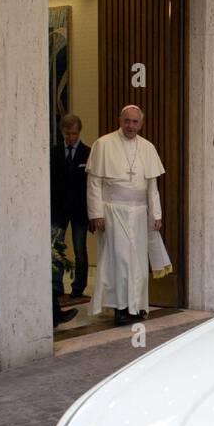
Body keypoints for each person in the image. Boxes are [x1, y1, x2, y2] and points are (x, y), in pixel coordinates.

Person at [86, 105, 165, 326]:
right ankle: (120, 307)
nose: (131, 126)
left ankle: (137, 306)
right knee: (120, 260)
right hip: (113, 210)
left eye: (135, 122)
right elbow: (94, 183)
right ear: (120, 120)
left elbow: (152, 186)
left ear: (141, 123)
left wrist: (156, 214)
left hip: (139, 212)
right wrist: (96, 213)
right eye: (127, 121)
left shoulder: (148, 147)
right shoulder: (103, 144)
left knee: (138, 261)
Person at [50, 114, 91, 300]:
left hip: (80, 209)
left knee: (80, 249)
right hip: (58, 208)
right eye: (67, 134)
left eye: (74, 134)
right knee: (56, 248)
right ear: (62, 132)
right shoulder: (54, 152)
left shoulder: (87, 152)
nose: (71, 138)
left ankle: (78, 287)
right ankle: (56, 286)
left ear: (79, 132)